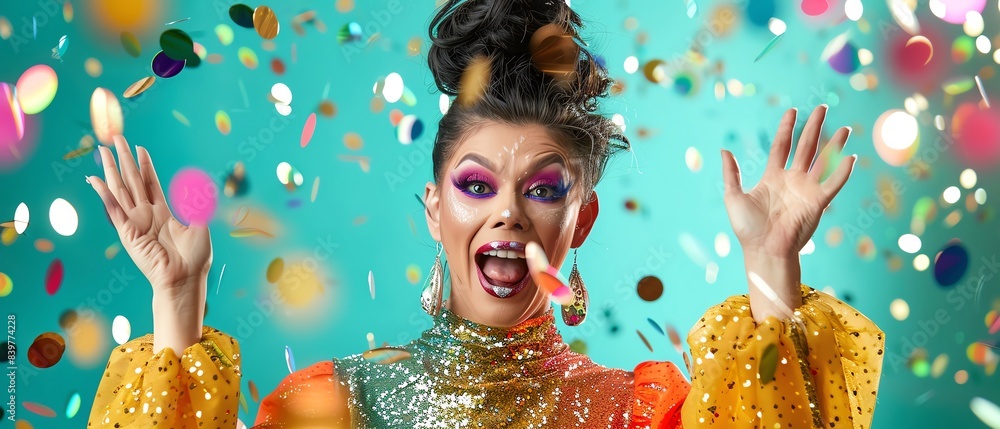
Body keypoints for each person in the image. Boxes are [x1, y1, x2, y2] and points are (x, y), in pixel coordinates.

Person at [85, 0, 884, 427]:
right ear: (434, 211)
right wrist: (176, 302)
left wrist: (773, 269)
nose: (507, 212)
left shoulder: (642, 412)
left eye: (542, 189)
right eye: (476, 186)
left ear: (582, 220)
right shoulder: (326, 404)